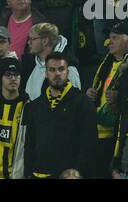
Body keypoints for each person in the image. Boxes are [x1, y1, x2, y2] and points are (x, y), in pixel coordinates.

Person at [21, 50, 95, 178]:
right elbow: (29, 144)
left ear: (68, 72)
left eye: (61, 69)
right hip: (38, 173)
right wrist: (28, 173)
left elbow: (88, 143)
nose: (57, 74)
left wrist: (78, 171)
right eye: (52, 70)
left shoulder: (82, 103)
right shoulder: (36, 106)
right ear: (46, 73)